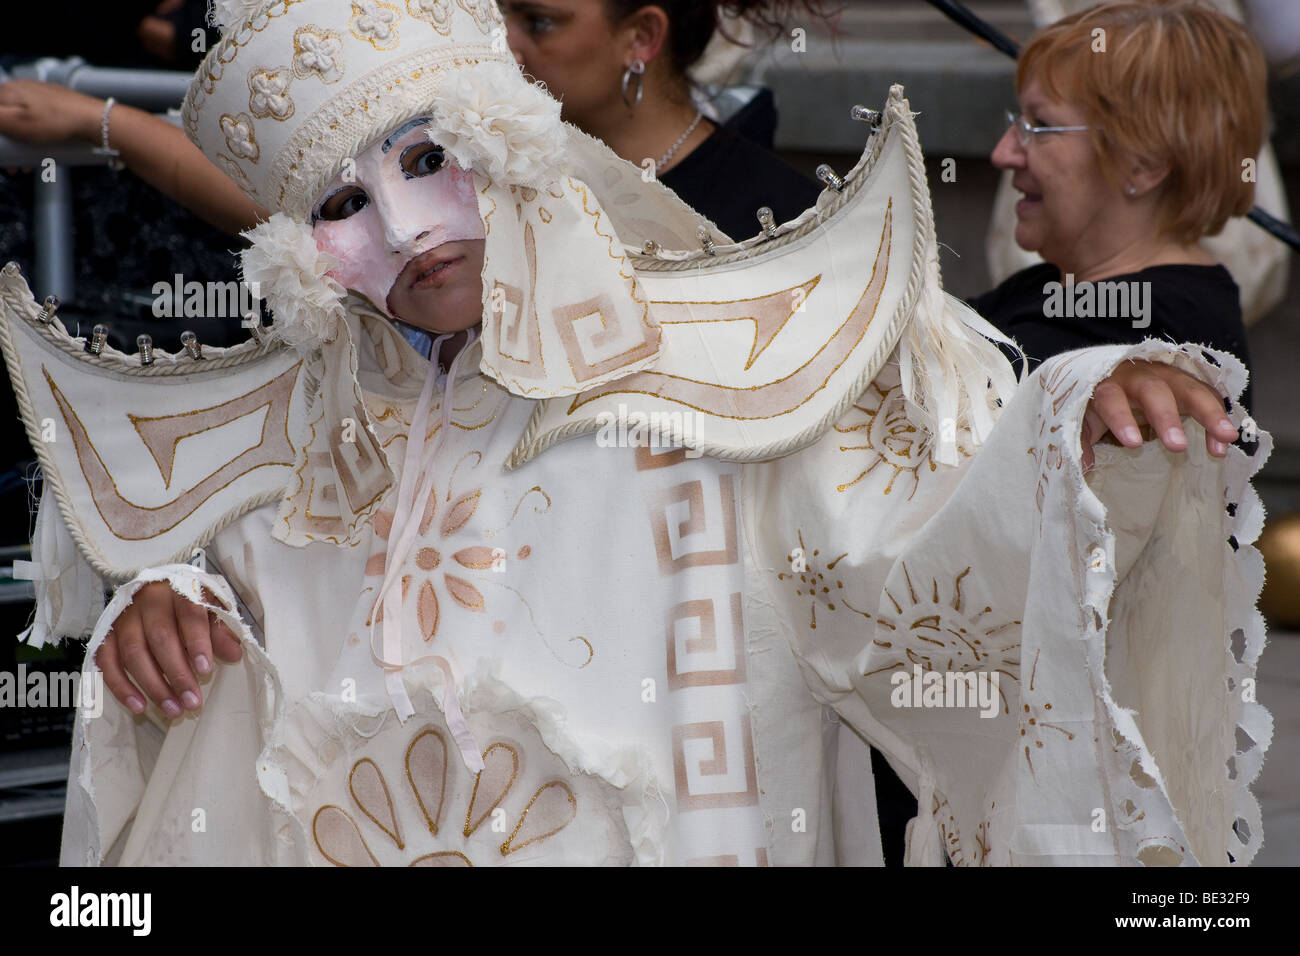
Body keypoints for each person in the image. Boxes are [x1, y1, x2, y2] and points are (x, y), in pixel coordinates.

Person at [1, 0, 1263, 867]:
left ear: (506, 151)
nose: (407, 227)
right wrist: (165, 602)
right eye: (340, 201)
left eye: (431, 159)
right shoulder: (298, 424)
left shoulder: (736, 367)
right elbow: (228, 607)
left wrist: (1071, 410)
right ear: (298, 252)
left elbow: (929, 575)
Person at [971, 0, 1264, 415]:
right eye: (1018, 121)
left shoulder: (1145, 335)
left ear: (1142, 164)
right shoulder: (1056, 286)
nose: (1004, 153)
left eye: (1040, 126)